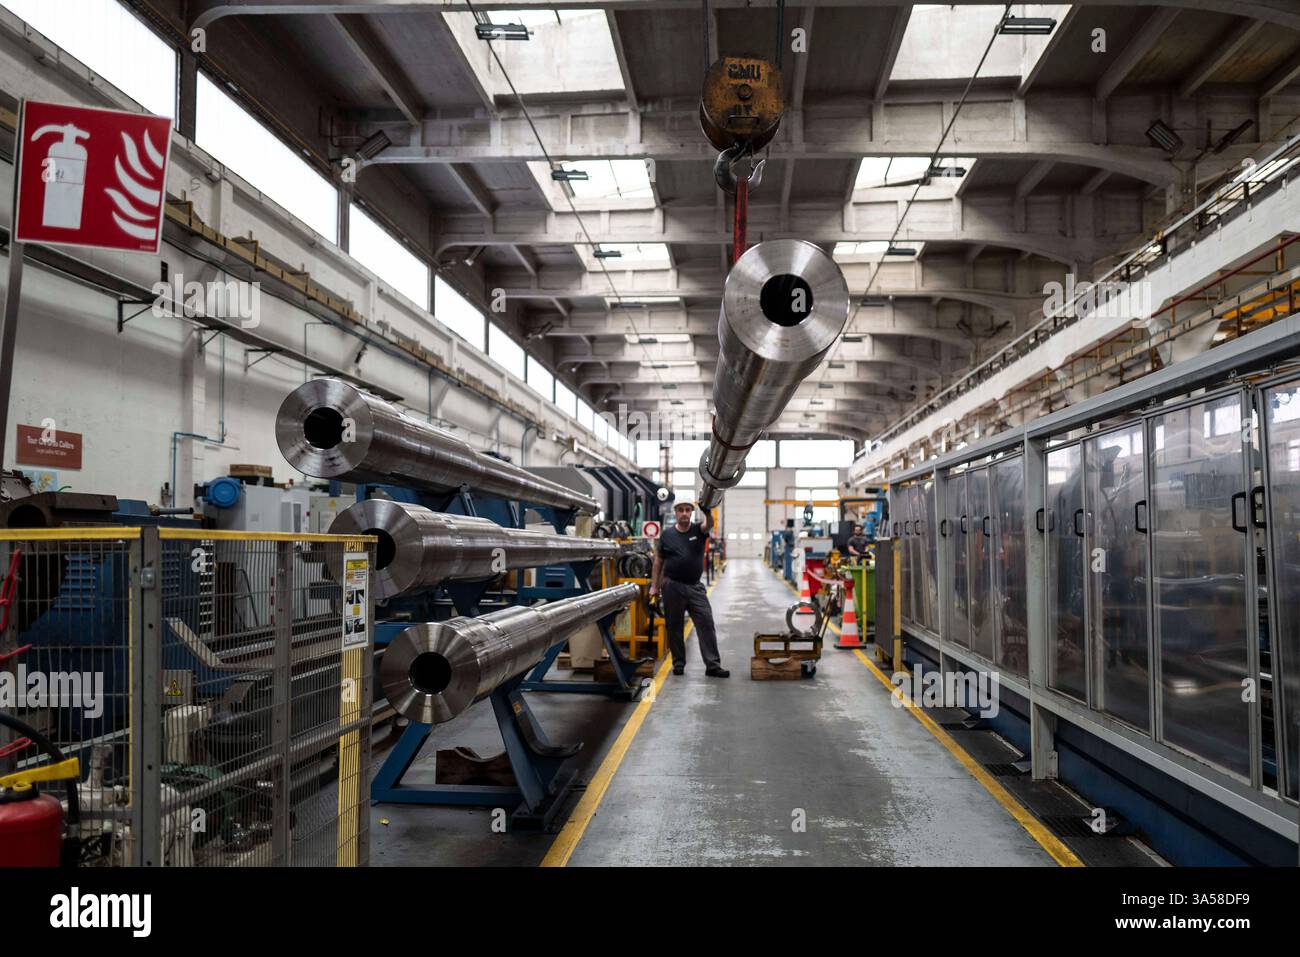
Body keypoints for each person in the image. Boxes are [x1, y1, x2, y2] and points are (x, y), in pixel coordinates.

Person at [650, 500, 729, 677]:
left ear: (692, 513)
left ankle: (713, 665)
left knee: (706, 622)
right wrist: (654, 586)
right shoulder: (667, 535)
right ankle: (678, 664)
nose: (684, 513)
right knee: (674, 626)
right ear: (676, 513)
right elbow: (658, 561)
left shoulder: (697, 531)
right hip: (672, 586)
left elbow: (709, 525)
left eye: (687, 510)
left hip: (695, 587)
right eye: (680, 510)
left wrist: (707, 512)